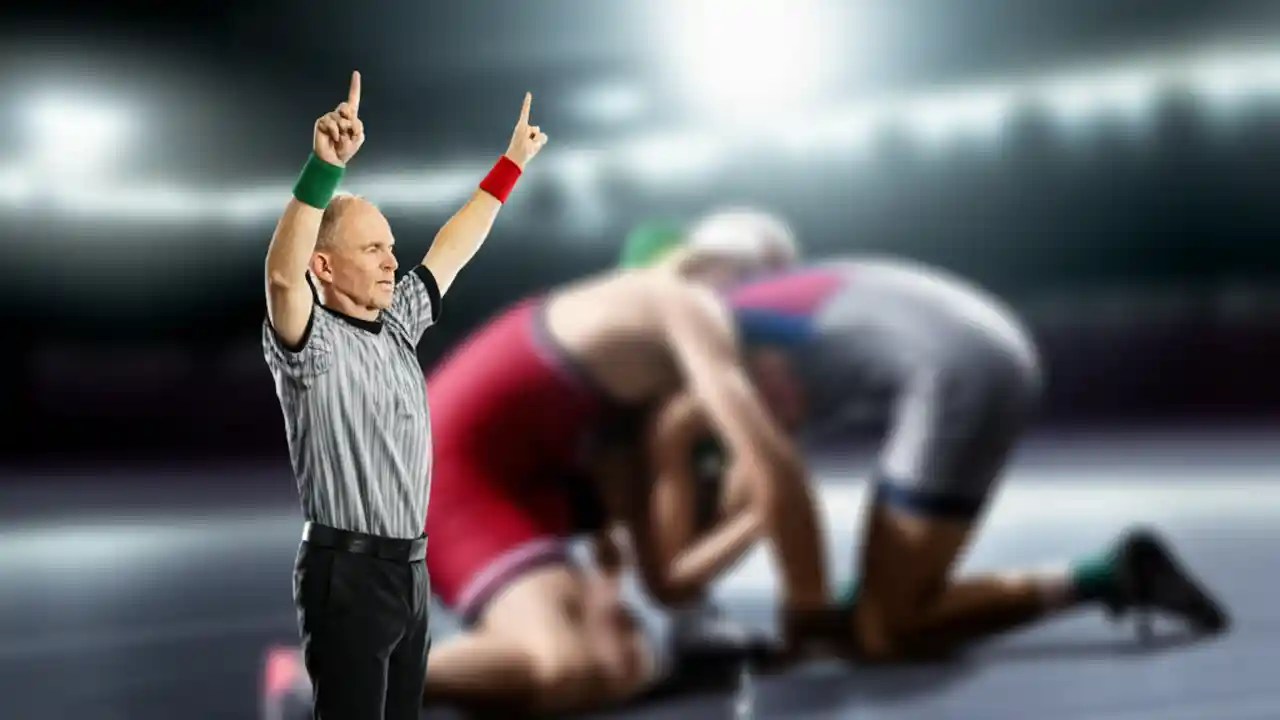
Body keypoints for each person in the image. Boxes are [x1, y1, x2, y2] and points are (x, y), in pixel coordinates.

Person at [634, 250, 1231, 666]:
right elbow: (768, 457)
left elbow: (776, 477)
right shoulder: (728, 315)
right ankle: (867, 603)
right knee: (874, 613)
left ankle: (1110, 575)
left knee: (886, 630)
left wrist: (802, 609)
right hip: (981, 346)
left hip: (956, 371)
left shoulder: (706, 350)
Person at [415, 214, 827, 716]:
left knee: (620, 669)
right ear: (720, 270)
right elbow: (775, 468)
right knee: (565, 666)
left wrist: (757, 512)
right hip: (451, 468)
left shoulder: (650, 377)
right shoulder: (684, 304)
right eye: (768, 295)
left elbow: (666, 576)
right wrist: (813, 616)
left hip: (517, 483)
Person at [261, 71, 548, 719]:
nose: (394, 261)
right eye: (373, 248)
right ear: (326, 266)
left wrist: (510, 164)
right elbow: (283, 275)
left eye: (391, 247)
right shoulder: (312, 341)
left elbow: (453, 245)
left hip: (409, 570)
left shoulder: (397, 324)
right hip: (347, 574)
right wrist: (322, 170)